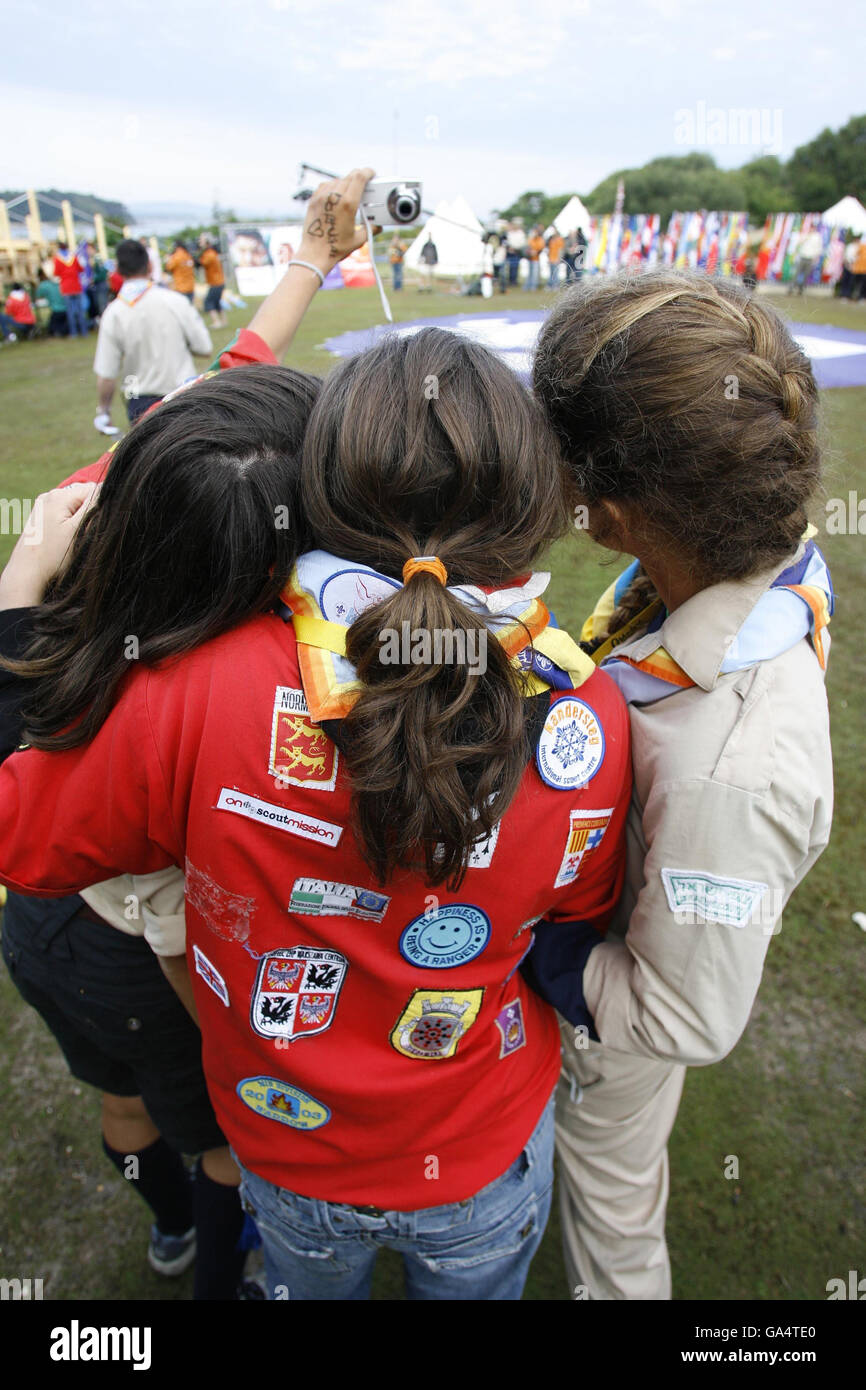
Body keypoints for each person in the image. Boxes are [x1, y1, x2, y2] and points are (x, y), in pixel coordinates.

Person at [0, 166, 634, 1303]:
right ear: (535, 500)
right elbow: (578, 924)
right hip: (478, 1144)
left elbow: (27, 841)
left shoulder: (198, 684)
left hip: (290, 1149)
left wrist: (18, 606)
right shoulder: (586, 710)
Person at [529, 270, 833, 1300]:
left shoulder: (729, 770)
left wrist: (530, 941)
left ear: (607, 513)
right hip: (632, 903)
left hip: (612, 1003)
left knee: (610, 1205)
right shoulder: (744, 546)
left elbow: (681, 1017)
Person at [92, 237, 212, 426]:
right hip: (184, 395)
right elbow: (204, 347)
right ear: (149, 266)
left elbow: (107, 373)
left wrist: (103, 412)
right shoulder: (175, 301)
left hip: (142, 404)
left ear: (118, 270)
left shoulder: (114, 312)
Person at [52, 241, 88, 337]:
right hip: (76, 286)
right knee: (80, 311)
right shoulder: (74, 257)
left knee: (70, 312)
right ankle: (84, 332)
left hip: (66, 288)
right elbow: (81, 269)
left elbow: (56, 273)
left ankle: (74, 333)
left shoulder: (57, 259)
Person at [198, 236, 226, 328]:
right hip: (219, 281)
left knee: (209, 302)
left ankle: (216, 322)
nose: (200, 243)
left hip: (215, 282)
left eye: (201, 241)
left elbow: (202, 263)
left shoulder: (209, 254)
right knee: (217, 302)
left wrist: (199, 254)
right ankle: (223, 321)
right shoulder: (213, 253)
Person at [34, 268, 68, 336]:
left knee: (53, 329)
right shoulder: (55, 284)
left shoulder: (43, 285)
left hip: (56, 311)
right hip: (65, 310)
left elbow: (37, 297)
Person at [526, 226, 544, 291]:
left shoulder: (540, 239)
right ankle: (528, 286)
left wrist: (535, 252)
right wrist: (530, 252)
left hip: (536, 259)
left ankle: (533, 286)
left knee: (535, 273)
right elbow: (528, 247)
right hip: (530, 258)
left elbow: (541, 248)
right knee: (530, 273)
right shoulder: (531, 239)